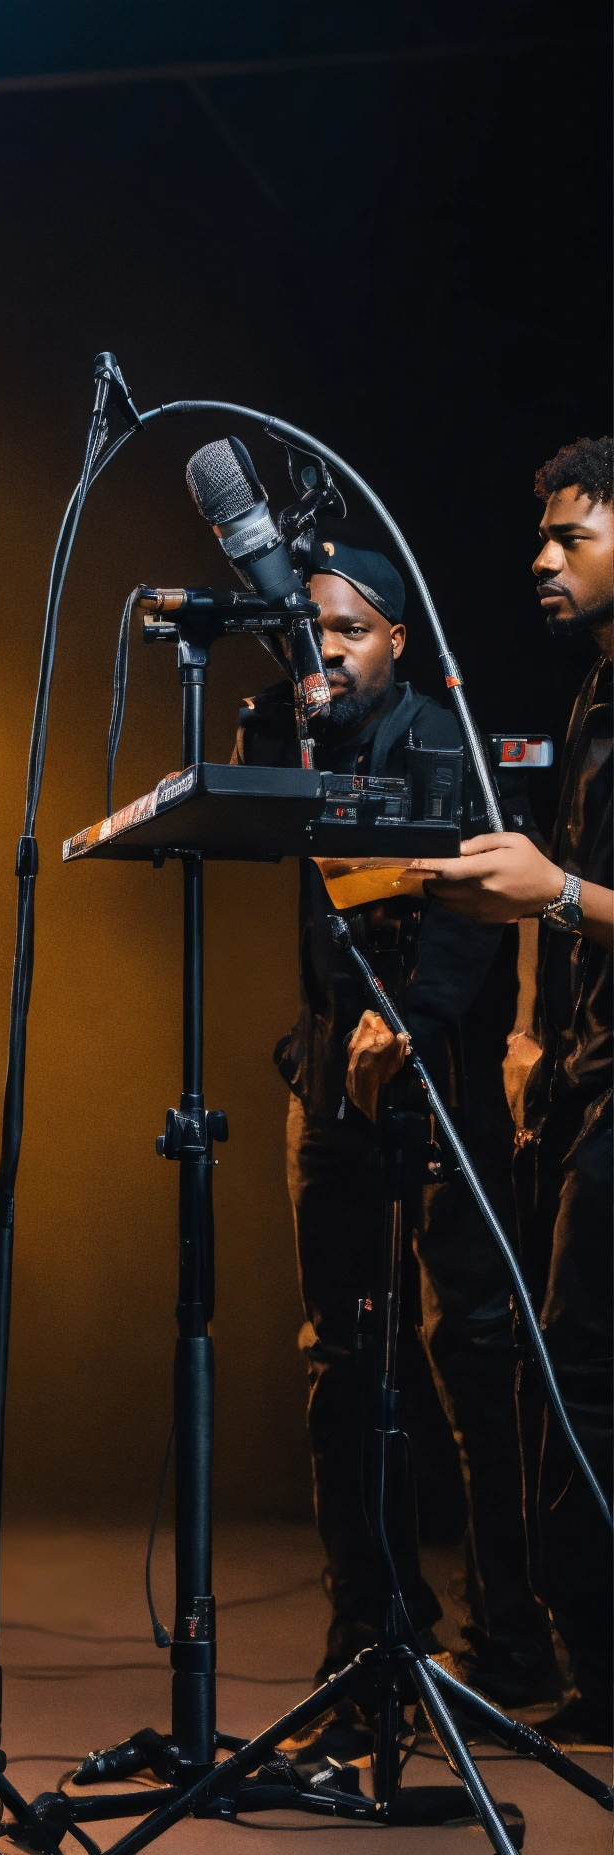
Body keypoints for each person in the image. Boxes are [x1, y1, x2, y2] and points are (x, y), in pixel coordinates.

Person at [234, 543, 556, 1758]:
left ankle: (510, 1634)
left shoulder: (444, 740)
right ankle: (366, 1627)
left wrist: (415, 1025)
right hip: (326, 1092)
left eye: (351, 630)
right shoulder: (306, 738)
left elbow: (487, 908)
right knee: (338, 1360)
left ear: (399, 639)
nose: (329, 650)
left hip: (444, 1089)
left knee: (470, 1353)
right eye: (313, 630)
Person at [386, 438, 612, 1745]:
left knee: (583, 1381)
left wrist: (561, 897)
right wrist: (528, 1036)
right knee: (560, 1380)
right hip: (582, 1078)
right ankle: (587, 1676)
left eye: (573, 535)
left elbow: (566, 891)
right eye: (541, 537)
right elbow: (553, 883)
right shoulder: (588, 700)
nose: (542, 557)